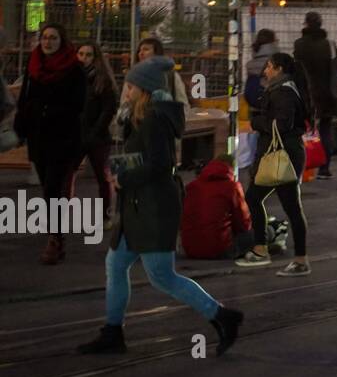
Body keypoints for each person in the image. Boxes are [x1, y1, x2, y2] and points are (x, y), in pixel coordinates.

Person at [77, 55, 243, 356]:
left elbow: (160, 163)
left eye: (130, 86)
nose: (125, 91)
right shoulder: (145, 116)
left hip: (153, 207)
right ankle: (113, 331)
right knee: (115, 265)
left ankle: (221, 315)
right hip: (139, 206)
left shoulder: (154, 119)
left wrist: (124, 178)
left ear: (144, 89)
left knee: (161, 275)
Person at [14, 23, 86, 265]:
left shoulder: (73, 69)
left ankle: (55, 239)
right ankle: (56, 235)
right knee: (47, 187)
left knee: (53, 188)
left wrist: (50, 112)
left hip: (62, 138)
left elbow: (78, 104)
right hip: (38, 137)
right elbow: (25, 96)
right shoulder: (34, 65)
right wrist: (21, 125)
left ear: (61, 41)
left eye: (53, 38)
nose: (48, 42)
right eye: (45, 38)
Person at [237, 53, 310, 276]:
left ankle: (286, 256)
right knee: (283, 204)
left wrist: (255, 122)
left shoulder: (284, 92)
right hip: (285, 152)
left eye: (268, 67)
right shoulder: (283, 89)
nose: (265, 71)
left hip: (283, 154)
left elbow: (281, 124)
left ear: (278, 69)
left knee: (281, 204)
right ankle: (278, 253)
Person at [293, 12, 337, 179]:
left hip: (305, 93)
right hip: (326, 94)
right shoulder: (329, 44)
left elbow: (295, 70)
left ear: (305, 24)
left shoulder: (299, 45)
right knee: (326, 131)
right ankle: (325, 168)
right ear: (321, 24)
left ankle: (304, 166)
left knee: (304, 130)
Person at [182, 155, 254, 260]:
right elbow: (244, 223)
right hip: (219, 248)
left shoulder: (192, 186)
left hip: (190, 249)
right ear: (232, 169)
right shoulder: (232, 187)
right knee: (259, 234)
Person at [77, 41, 118, 218]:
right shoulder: (73, 79)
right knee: (66, 176)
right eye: (80, 54)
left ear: (96, 58)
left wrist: (95, 132)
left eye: (88, 55)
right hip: (76, 135)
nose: (83, 58)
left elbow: (108, 109)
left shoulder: (103, 80)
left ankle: (106, 214)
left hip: (97, 137)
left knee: (102, 177)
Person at [244, 28, 278, 114]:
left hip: (254, 104)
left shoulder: (251, 64)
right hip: (272, 106)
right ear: (272, 42)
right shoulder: (278, 62)